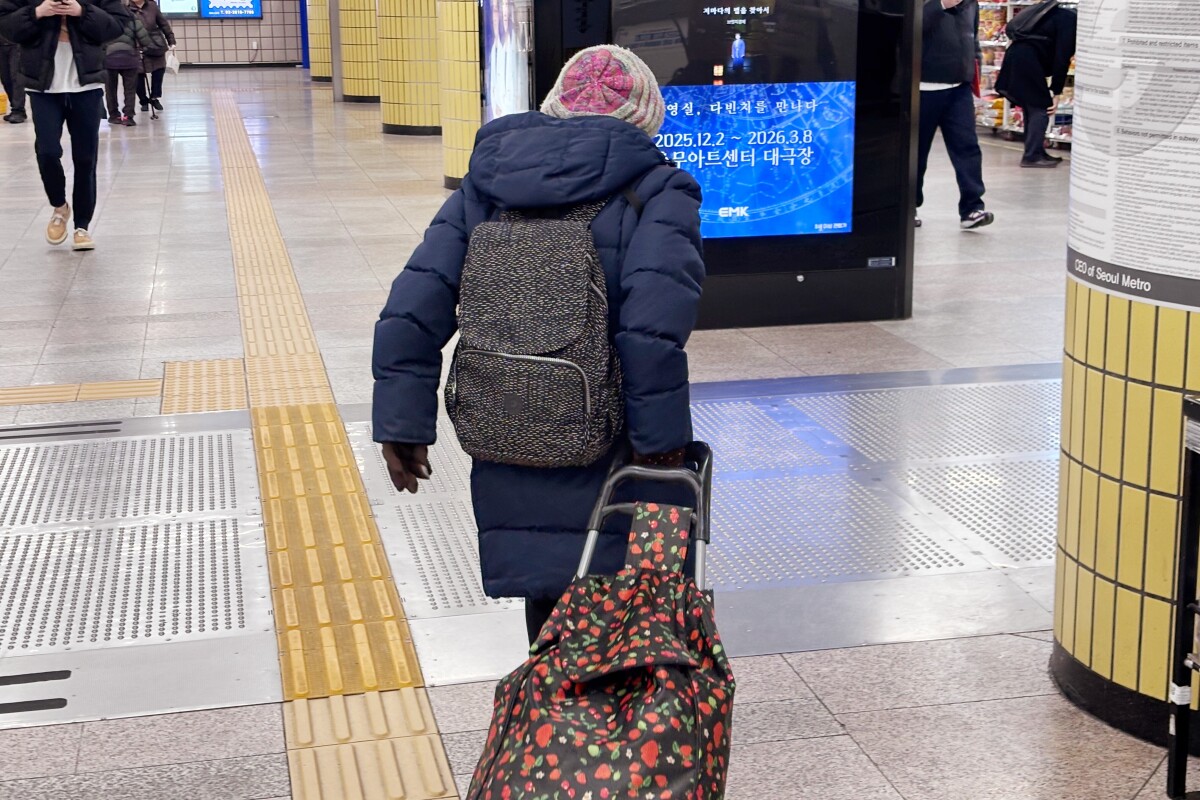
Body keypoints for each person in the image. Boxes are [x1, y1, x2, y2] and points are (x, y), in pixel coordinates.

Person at [372, 45, 705, 645]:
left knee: (548, 612)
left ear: (554, 107)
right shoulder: (659, 190)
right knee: (624, 620)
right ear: (647, 119)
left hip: (507, 425)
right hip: (612, 443)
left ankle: (549, 705)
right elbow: (650, 332)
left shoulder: (486, 187)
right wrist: (662, 452)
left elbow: (411, 307)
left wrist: (402, 422)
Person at [0, 0, 128, 251]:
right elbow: (6, 26)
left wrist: (82, 11)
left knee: (85, 158)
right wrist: (37, 12)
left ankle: (82, 226)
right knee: (47, 151)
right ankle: (60, 206)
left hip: (87, 85)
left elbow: (117, 26)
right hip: (43, 86)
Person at [916, 0, 994, 230]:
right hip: (922, 87)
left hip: (959, 87)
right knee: (916, 152)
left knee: (967, 147)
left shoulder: (970, 3)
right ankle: (909, 206)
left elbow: (972, 37)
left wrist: (973, 70)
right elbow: (910, 28)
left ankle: (972, 208)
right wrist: (941, 5)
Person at [996, 1, 1077, 168]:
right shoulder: (1070, 21)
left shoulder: (1053, 13)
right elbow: (1062, 58)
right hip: (1028, 61)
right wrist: (1056, 92)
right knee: (1041, 107)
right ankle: (1032, 156)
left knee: (1032, 107)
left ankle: (1036, 151)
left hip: (1016, 56)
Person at [103, 1, 151, 126]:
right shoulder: (132, 18)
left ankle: (114, 115)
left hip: (109, 58)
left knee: (110, 89)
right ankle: (128, 116)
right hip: (129, 58)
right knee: (130, 89)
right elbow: (145, 40)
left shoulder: (104, 17)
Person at [129, 0, 170, 113]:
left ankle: (154, 97)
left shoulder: (152, 6)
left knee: (159, 70)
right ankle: (143, 100)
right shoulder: (126, 8)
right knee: (137, 74)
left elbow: (163, 24)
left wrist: (171, 39)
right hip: (135, 45)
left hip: (155, 44)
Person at [0, 33, 24, 122]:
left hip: (16, 45)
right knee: (5, 79)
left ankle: (18, 111)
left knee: (16, 78)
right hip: (1, 46)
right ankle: (15, 108)